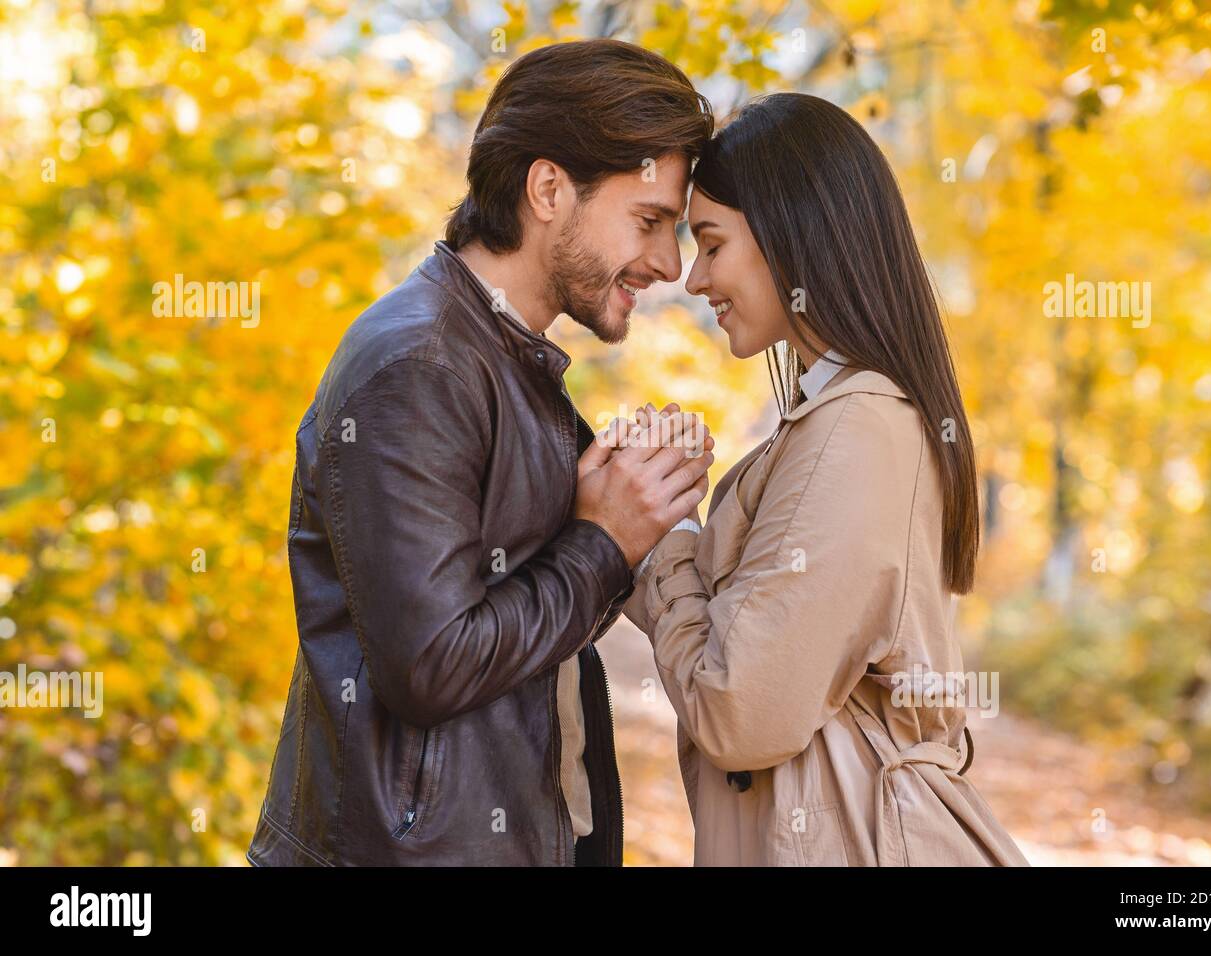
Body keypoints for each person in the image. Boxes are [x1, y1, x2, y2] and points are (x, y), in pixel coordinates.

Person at [246, 38, 714, 867]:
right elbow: (431, 665)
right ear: (547, 188)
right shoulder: (420, 366)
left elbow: (537, 625)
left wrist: (621, 510)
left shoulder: (510, 359)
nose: (669, 264)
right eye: (648, 222)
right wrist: (603, 541)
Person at [621, 93, 1030, 866]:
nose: (696, 279)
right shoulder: (833, 420)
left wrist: (670, 534)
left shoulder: (860, 427)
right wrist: (632, 521)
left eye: (712, 244)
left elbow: (741, 711)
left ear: (790, 235)